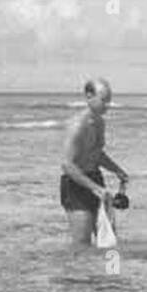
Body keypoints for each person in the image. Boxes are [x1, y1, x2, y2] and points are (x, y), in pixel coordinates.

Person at [60, 78, 129, 246]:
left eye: (109, 101)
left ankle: (108, 272)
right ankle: (77, 273)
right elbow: (67, 165)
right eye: (103, 100)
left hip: (96, 178)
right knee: (82, 245)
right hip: (75, 186)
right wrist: (96, 189)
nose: (107, 105)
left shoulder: (99, 122)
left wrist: (117, 170)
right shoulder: (77, 126)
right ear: (89, 96)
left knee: (108, 241)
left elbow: (96, 154)